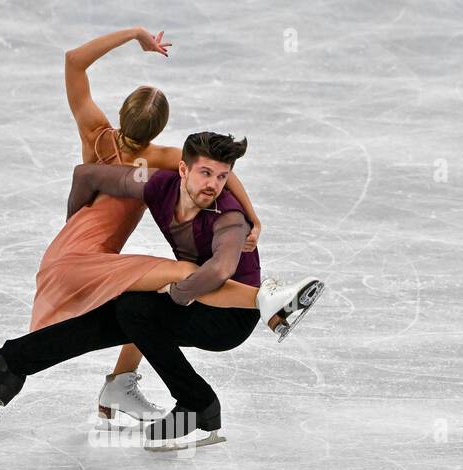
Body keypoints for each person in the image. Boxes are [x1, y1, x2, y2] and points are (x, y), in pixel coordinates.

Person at [0, 131, 323, 450]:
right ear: (182, 170)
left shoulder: (228, 217)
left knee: (132, 311)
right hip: (192, 296)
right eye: (206, 173)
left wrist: (176, 294)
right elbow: (87, 175)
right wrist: (72, 239)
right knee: (123, 311)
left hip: (229, 317)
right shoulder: (157, 185)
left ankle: (199, 401)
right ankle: (8, 366)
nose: (213, 185)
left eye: (222, 177)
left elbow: (222, 269)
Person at [24, 27, 318, 422]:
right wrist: (253, 215)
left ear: (122, 109)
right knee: (179, 281)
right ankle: (269, 302)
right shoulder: (156, 157)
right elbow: (221, 172)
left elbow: (73, 61)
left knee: (143, 305)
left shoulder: (94, 134)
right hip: (95, 256)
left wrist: (134, 35)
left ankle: (119, 384)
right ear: (160, 131)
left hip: (74, 244)